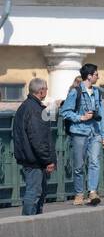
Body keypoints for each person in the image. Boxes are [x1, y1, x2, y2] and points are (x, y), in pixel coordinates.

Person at [58, 62, 104, 206]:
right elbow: (65, 112)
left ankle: (92, 192)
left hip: (95, 132)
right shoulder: (75, 92)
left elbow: (102, 115)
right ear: (89, 76)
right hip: (79, 132)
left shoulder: (97, 92)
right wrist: (81, 117)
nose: (98, 77)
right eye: (96, 75)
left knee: (94, 161)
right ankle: (79, 193)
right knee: (79, 165)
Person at [13, 78, 55, 216]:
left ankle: (34, 222)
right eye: (46, 88)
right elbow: (38, 139)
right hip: (34, 159)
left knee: (38, 191)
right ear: (41, 90)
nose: (47, 91)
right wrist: (47, 160)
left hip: (30, 157)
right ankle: (28, 223)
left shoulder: (26, 106)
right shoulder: (34, 109)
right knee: (34, 192)